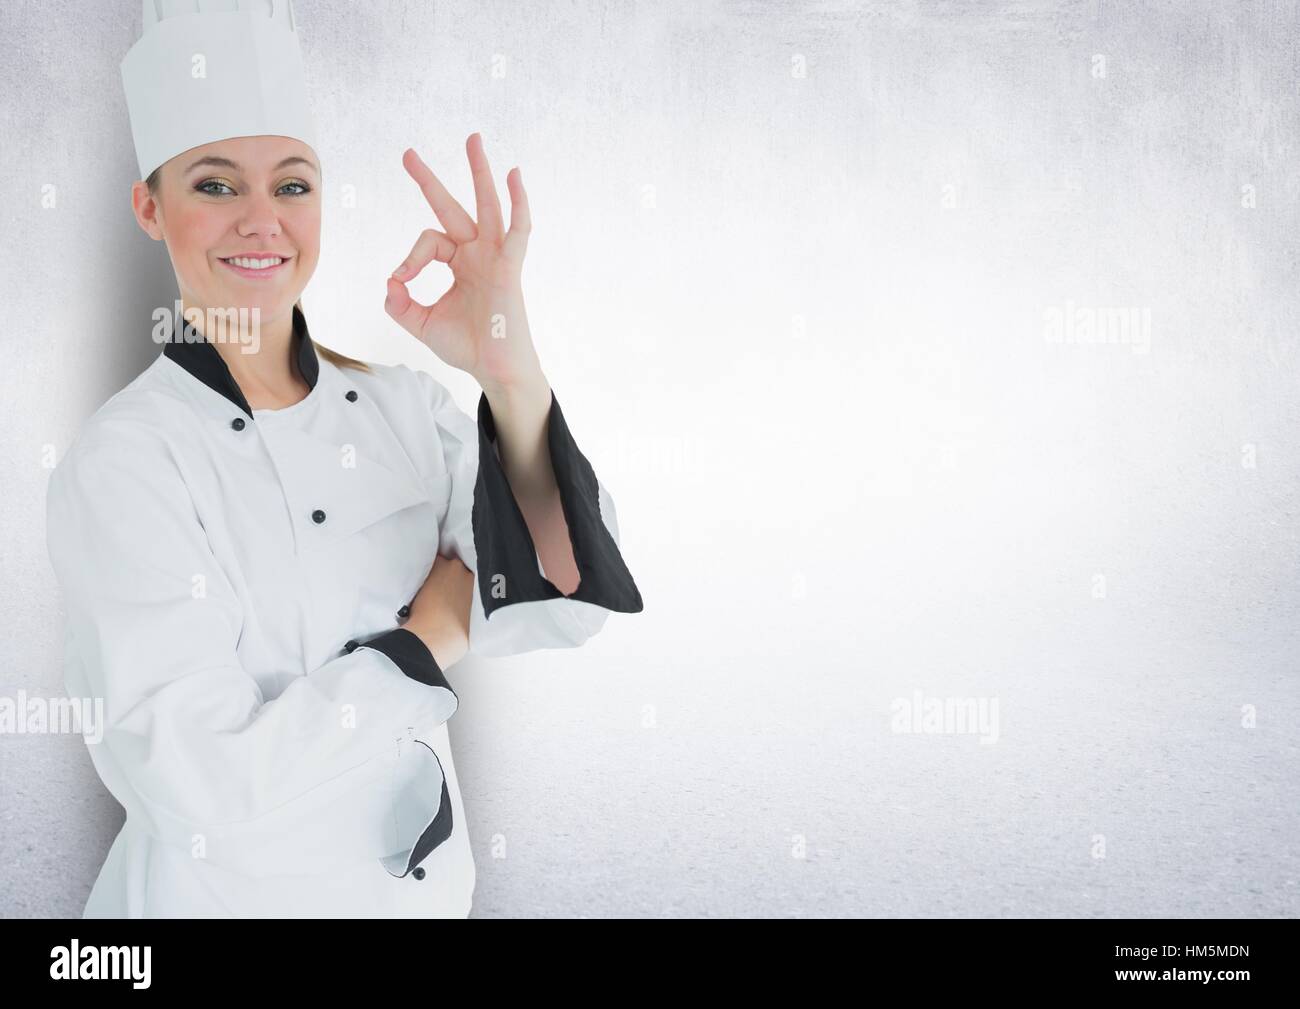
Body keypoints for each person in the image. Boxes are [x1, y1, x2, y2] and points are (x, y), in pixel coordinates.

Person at [44, 0, 642, 918]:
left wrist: (507, 363)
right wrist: (426, 642)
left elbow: (558, 606)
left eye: (291, 185)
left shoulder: (407, 412)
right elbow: (205, 788)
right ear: (149, 207)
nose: (261, 221)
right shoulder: (124, 465)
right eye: (214, 185)